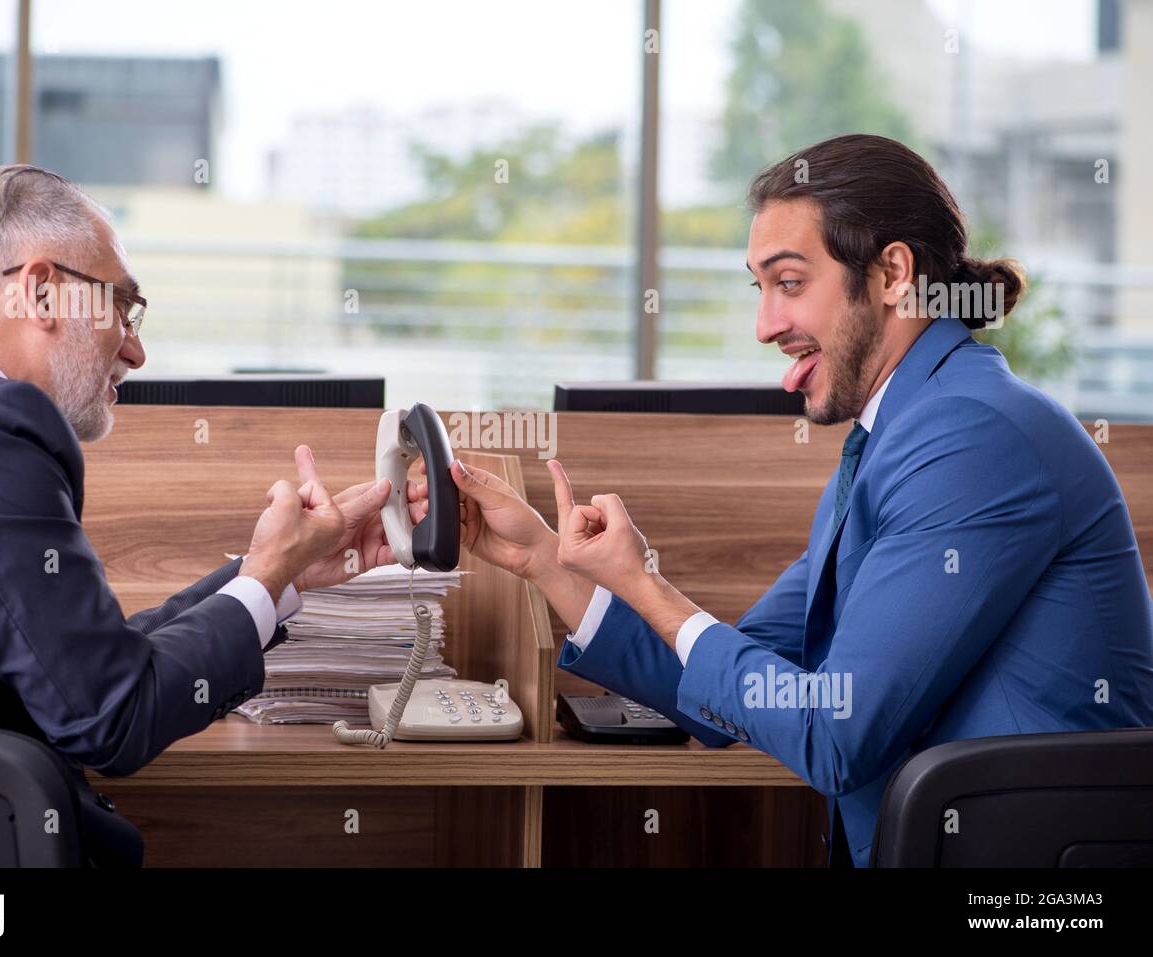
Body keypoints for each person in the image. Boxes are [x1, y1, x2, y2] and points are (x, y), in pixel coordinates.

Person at [418, 134, 1153, 867]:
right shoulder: (895, 436)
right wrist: (548, 560)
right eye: (759, 288)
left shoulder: (970, 437)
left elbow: (832, 733)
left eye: (791, 282)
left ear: (895, 272)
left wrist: (646, 582)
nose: (766, 325)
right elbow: (722, 680)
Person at [0, 165, 396, 866]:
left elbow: (76, 666)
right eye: (122, 306)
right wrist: (264, 578)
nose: (135, 348)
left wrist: (274, 573)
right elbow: (110, 715)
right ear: (40, 290)